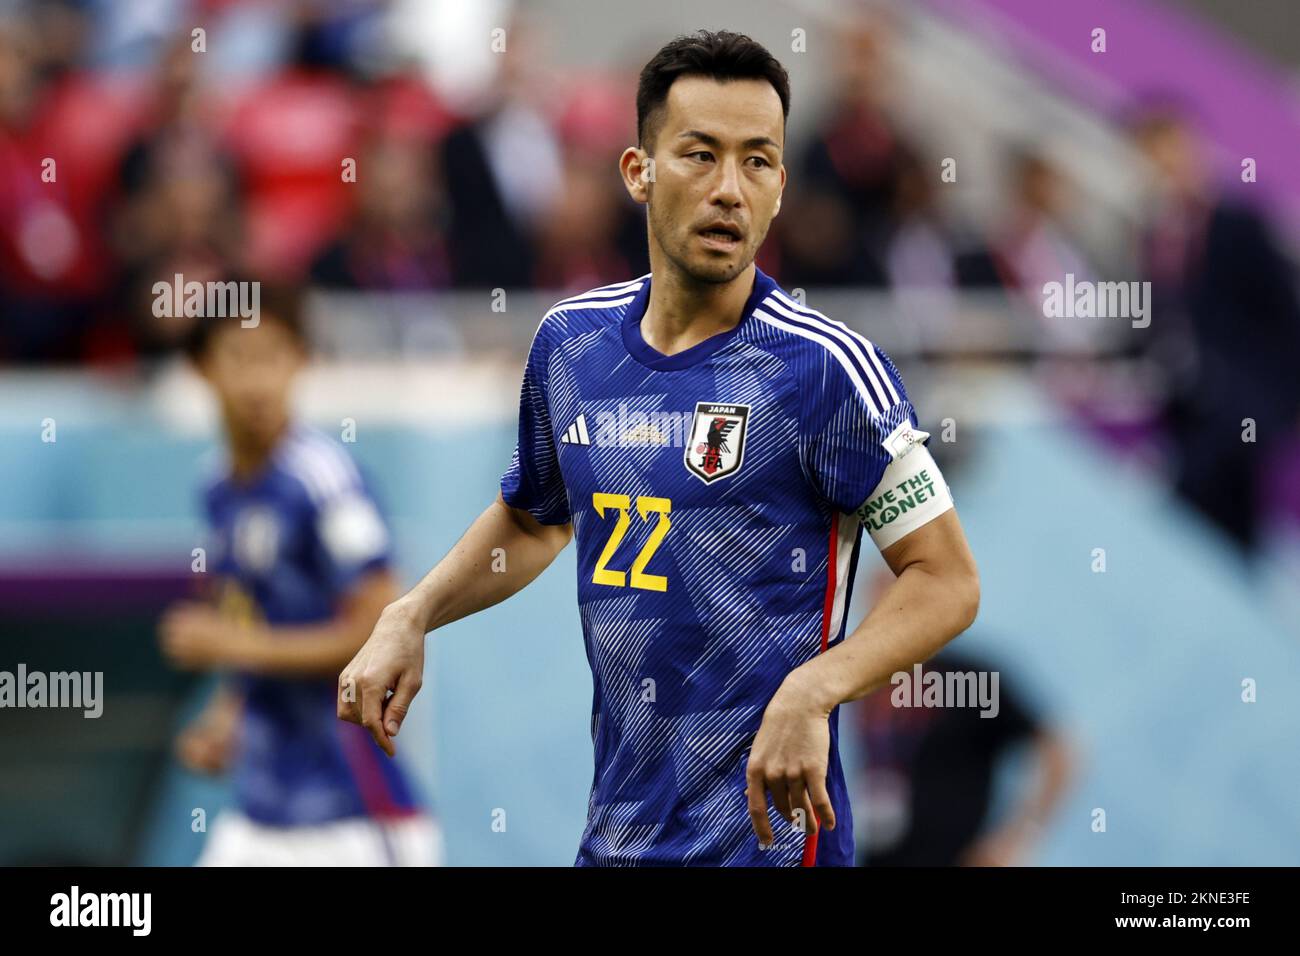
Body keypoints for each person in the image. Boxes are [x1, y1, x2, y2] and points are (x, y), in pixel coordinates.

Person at [339, 30, 979, 867]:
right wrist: (410, 614)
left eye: (757, 162)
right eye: (699, 154)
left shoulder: (824, 370)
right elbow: (536, 520)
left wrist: (816, 689)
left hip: (771, 846)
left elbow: (947, 578)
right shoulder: (570, 345)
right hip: (619, 839)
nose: (728, 190)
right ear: (639, 171)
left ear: (782, 185)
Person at [160, 284, 440, 866]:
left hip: (353, 817)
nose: (258, 380)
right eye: (239, 358)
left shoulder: (325, 482)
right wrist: (227, 717)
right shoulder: (214, 488)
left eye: (274, 357)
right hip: (260, 815)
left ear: (300, 362)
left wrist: (232, 644)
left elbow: (379, 632)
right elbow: (251, 612)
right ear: (202, 370)